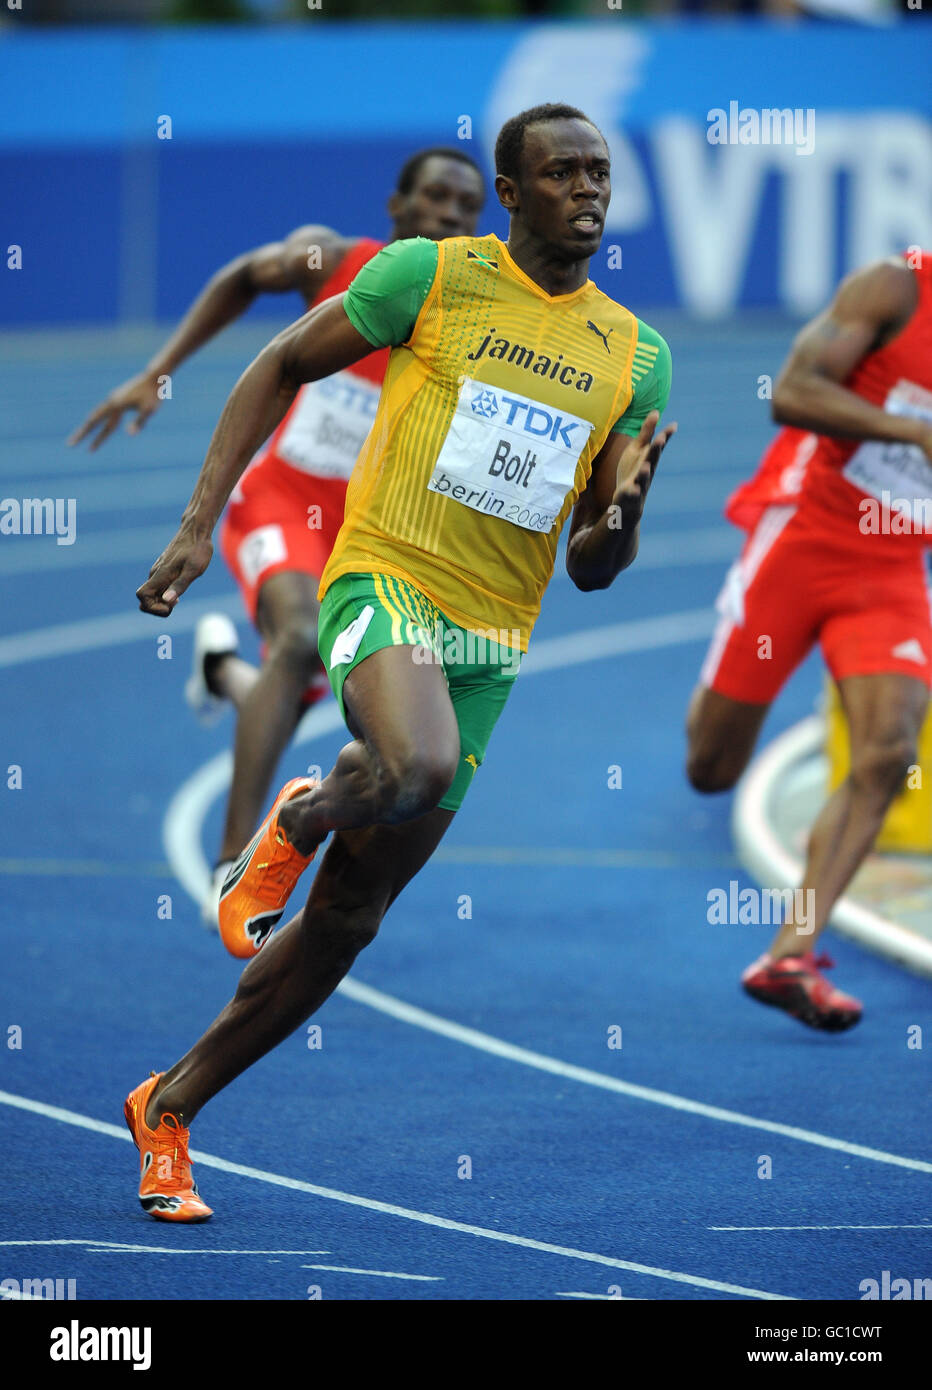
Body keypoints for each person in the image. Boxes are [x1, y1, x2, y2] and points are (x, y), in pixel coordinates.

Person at [125, 103, 675, 1221]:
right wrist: (198, 524)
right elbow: (281, 359)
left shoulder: (636, 355)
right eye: (561, 172)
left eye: (599, 173)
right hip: (383, 576)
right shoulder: (427, 276)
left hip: (492, 637)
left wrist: (618, 519)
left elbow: (591, 571)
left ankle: (170, 1107)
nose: (587, 190)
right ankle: (293, 819)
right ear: (510, 193)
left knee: (352, 916)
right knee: (412, 767)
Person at [70, 149, 485, 926]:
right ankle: (233, 867)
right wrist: (156, 373)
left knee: (305, 692)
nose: (448, 219)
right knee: (296, 641)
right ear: (397, 205)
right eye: (433, 199)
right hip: (282, 503)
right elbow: (239, 279)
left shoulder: (469, 317)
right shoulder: (334, 262)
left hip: (371, 541)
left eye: (465, 211)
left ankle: (223, 669)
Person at [687, 250, 932, 1032]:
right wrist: (911, 430)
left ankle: (790, 953)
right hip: (804, 534)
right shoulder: (896, 287)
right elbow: (790, 392)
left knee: (889, 751)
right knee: (711, 767)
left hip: (894, 561)